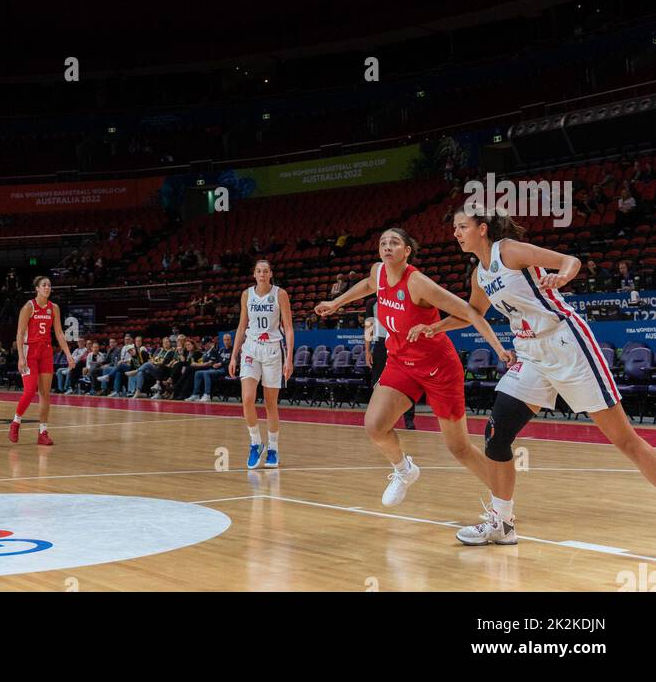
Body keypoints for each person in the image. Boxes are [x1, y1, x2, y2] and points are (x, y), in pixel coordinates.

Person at [433, 205, 656, 545]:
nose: (456, 233)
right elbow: (473, 314)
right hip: (531, 354)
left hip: (566, 343)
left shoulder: (507, 249)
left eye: (462, 226)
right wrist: (432, 328)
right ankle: (503, 525)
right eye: (454, 228)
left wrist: (563, 275)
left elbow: (570, 261)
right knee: (496, 434)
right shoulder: (480, 273)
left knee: (625, 440)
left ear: (482, 228)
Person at [315, 227, 511, 508]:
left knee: (459, 448)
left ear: (407, 251)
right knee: (375, 426)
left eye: (394, 243)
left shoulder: (418, 283)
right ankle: (404, 470)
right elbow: (368, 285)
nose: (387, 246)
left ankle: (503, 499)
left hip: (438, 368)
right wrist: (336, 302)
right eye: (383, 242)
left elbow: (470, 312)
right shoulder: (379, 272)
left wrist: (496, 347)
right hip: (400, 362)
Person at [229, 259, 294, 468]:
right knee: (247, 399)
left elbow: (289, 328)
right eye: (259, 271)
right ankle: (256, 443)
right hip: (251, 347)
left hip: (274, 349)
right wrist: (233, 355)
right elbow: (241, 326)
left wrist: (290, 357)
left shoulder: (280, 294)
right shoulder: (246, 294)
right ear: (254, 274)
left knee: (269, 403)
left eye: (266, 271)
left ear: (271, 274)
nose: (262, 274)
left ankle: (273, 448)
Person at [8, 276, 75, 444]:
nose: (47, 287)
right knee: (29, 391)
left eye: (49, 285)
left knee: (45, 394)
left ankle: (43, 432)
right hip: (29, 351)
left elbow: (59, 333)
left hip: (46, 351)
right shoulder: (28, 307)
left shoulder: (54, 308)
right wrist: (21, 357)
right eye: (44, 285)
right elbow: (19, 333)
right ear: (36, 288)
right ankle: (16, 422)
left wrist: (68, 353)